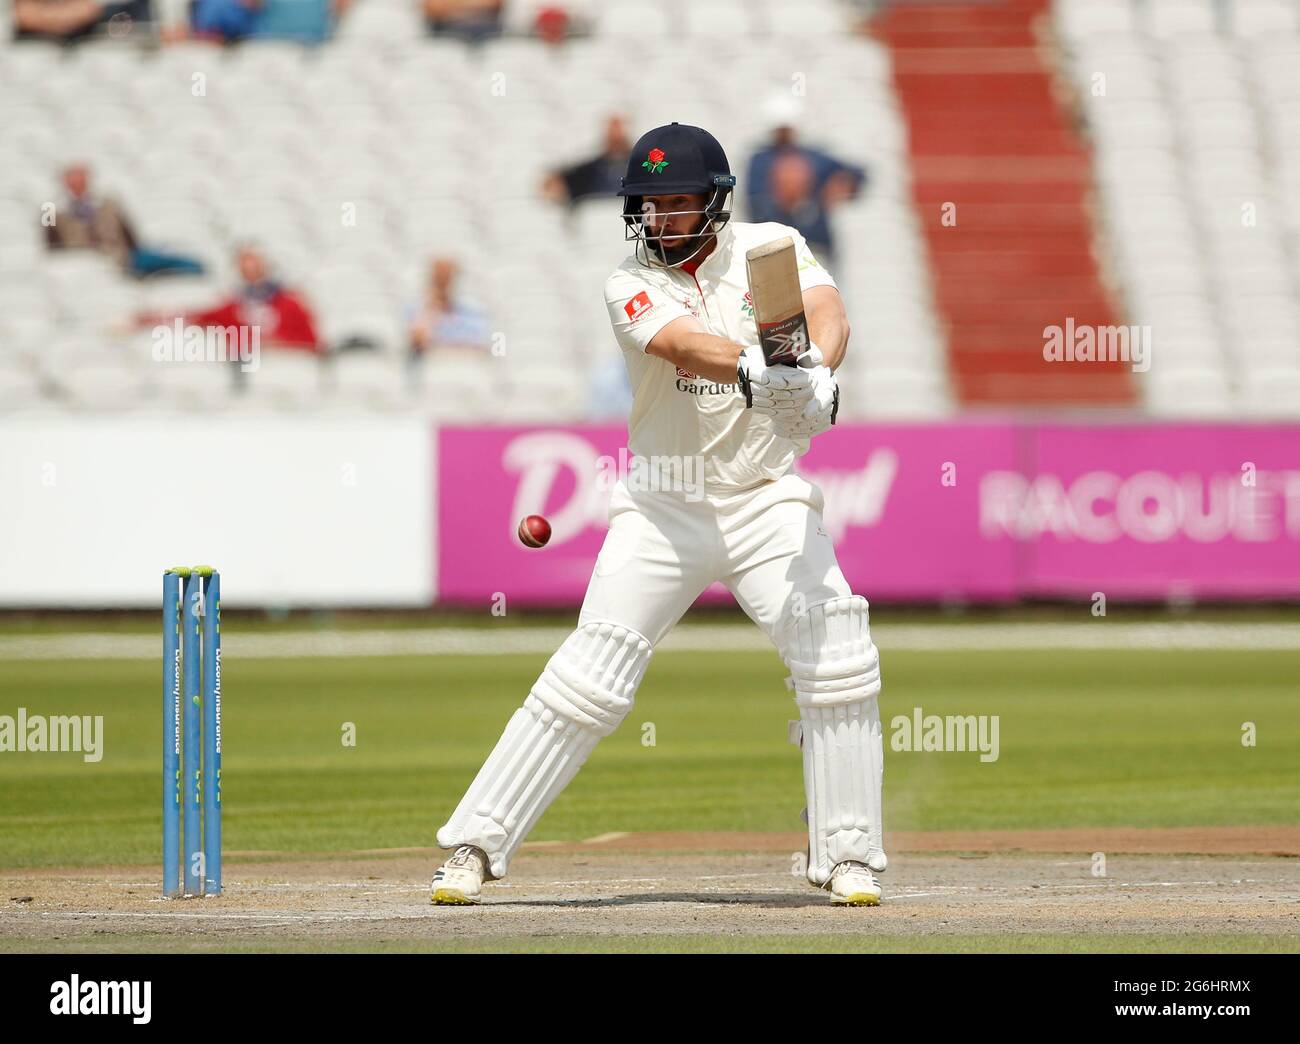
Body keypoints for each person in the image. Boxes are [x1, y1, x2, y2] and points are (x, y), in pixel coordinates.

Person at [432, 123, 887, 907]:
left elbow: (824, 308)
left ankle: (847, 854)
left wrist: (816, 365)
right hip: (663, 505)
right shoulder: (626, 281)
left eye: (675, 204)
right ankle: (473, 845)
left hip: (765, 498)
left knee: (838, 652)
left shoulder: (772, 245)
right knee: (590, 675)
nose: (658, 220)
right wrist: (754, 366)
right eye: (646, 205)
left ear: (714, 202)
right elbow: (682, 345)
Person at [746, 99, 866, 265]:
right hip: (774, 249)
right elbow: (754, 201)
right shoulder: (760, 161)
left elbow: (857, 173)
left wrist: (840, 185)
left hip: (816, 244)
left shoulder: (814, 158)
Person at [45, 165, 204, 278]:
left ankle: (196, 269)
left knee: (168, 259)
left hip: (124, 256)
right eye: (73, 180)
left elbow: (128, 231)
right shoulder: (50, 208)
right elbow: (51, 246)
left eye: (81, 179)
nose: (78, 184)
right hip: (92, 264)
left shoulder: (109, 202)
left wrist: (132, 250)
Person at [406, 258, 490, 370]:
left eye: (446, 278)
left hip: (467, 370)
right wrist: (432, 310)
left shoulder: (473, 312)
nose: (442, 284)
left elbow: (484, 345)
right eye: (438, 278)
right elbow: (417, 342)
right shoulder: (414, 310)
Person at [540, 115, 631, 206]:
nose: (615, 136)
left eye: (619, 131)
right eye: (611, 132)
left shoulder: (640, 167)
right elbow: (561, 182)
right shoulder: (591, 170)